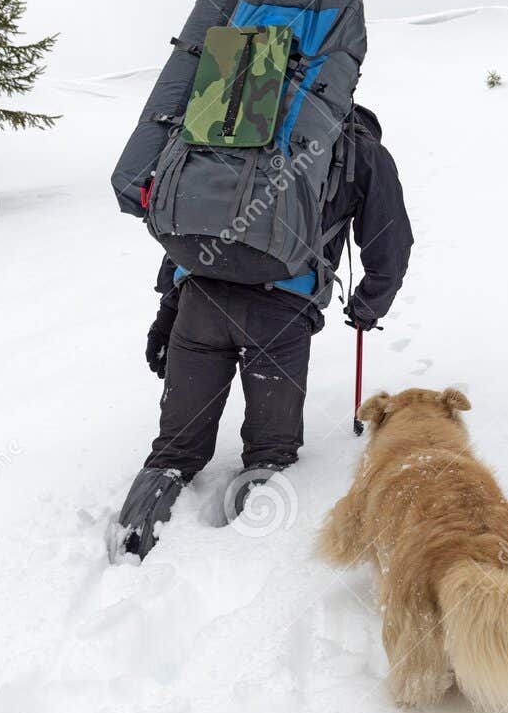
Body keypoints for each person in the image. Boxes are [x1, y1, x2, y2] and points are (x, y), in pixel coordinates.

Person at [108, 104, 412, 561]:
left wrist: (167, 312)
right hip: (281, 312)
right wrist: (369, 305)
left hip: (199, 301)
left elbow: (195, 225)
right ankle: (244, 561)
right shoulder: (362, 151)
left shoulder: (235, 128)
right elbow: (390, 239)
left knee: (174, 450)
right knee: (271, 452)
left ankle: (132, 542)